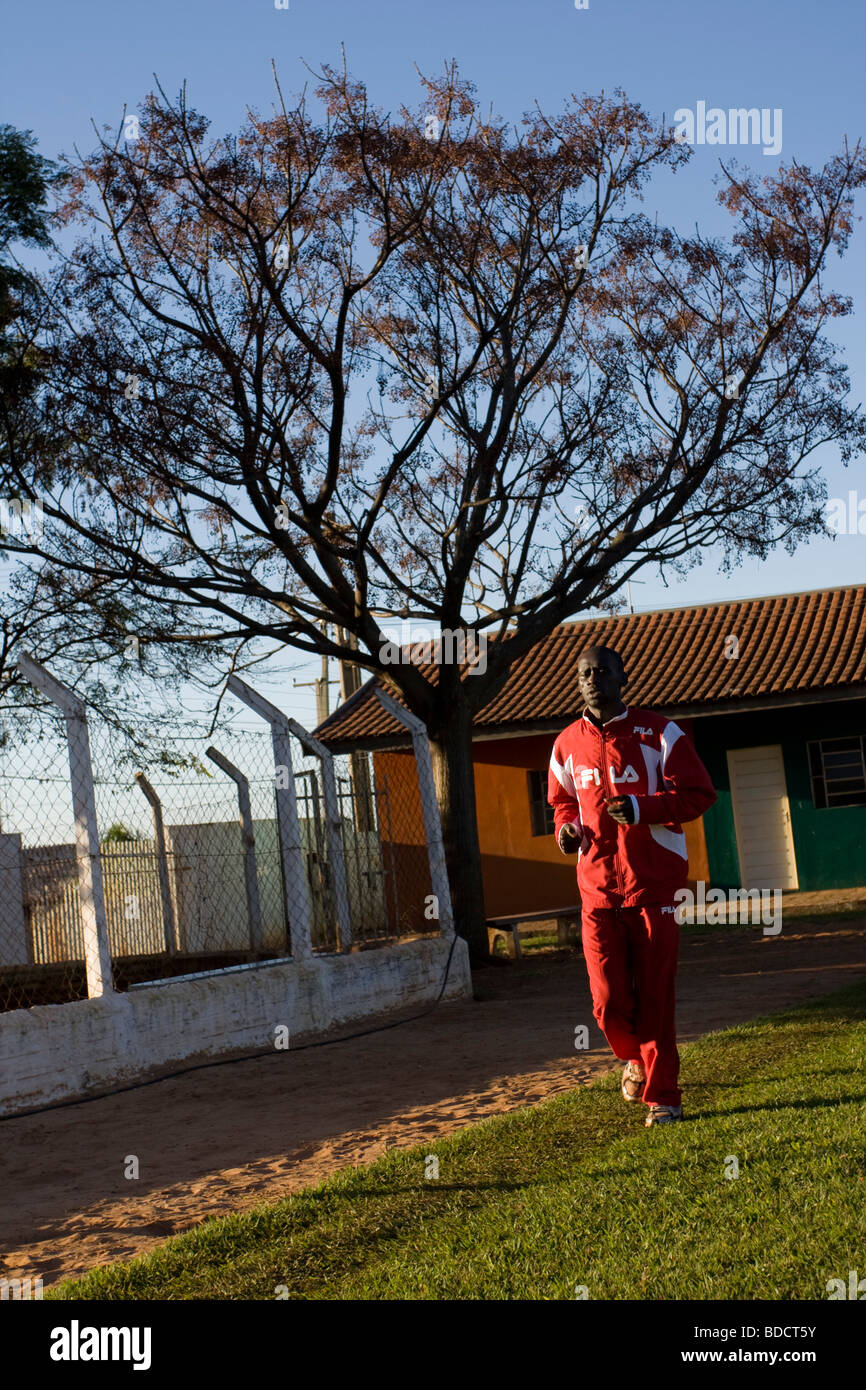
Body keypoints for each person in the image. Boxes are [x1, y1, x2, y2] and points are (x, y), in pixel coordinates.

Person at [547, 644, 717, 1126]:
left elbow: (699, 793)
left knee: (657, 997)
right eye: (583, 673)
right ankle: (635, 1059)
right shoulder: (565, 744)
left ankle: (664, 1097)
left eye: (602, 672)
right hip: (596, 888)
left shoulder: (660, 732)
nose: (591, 680)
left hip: (653, 888)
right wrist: (567, 829)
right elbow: (562, 801)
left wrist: (644, 809)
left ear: (623, 676)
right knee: (606, 1002)